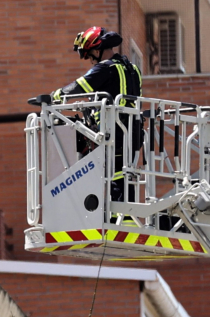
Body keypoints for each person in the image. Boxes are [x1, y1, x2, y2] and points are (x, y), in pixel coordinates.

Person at [50, 26, 143, 202]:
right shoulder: (133, 69)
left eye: (89, 54)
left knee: (116, 177)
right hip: (133, 131)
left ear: (97, 50)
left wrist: (55, 96)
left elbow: (79, 86)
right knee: (124, 174)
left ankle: (118, 215)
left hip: (114, 132)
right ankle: (126, 214)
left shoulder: (105, 68)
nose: (90, 60)